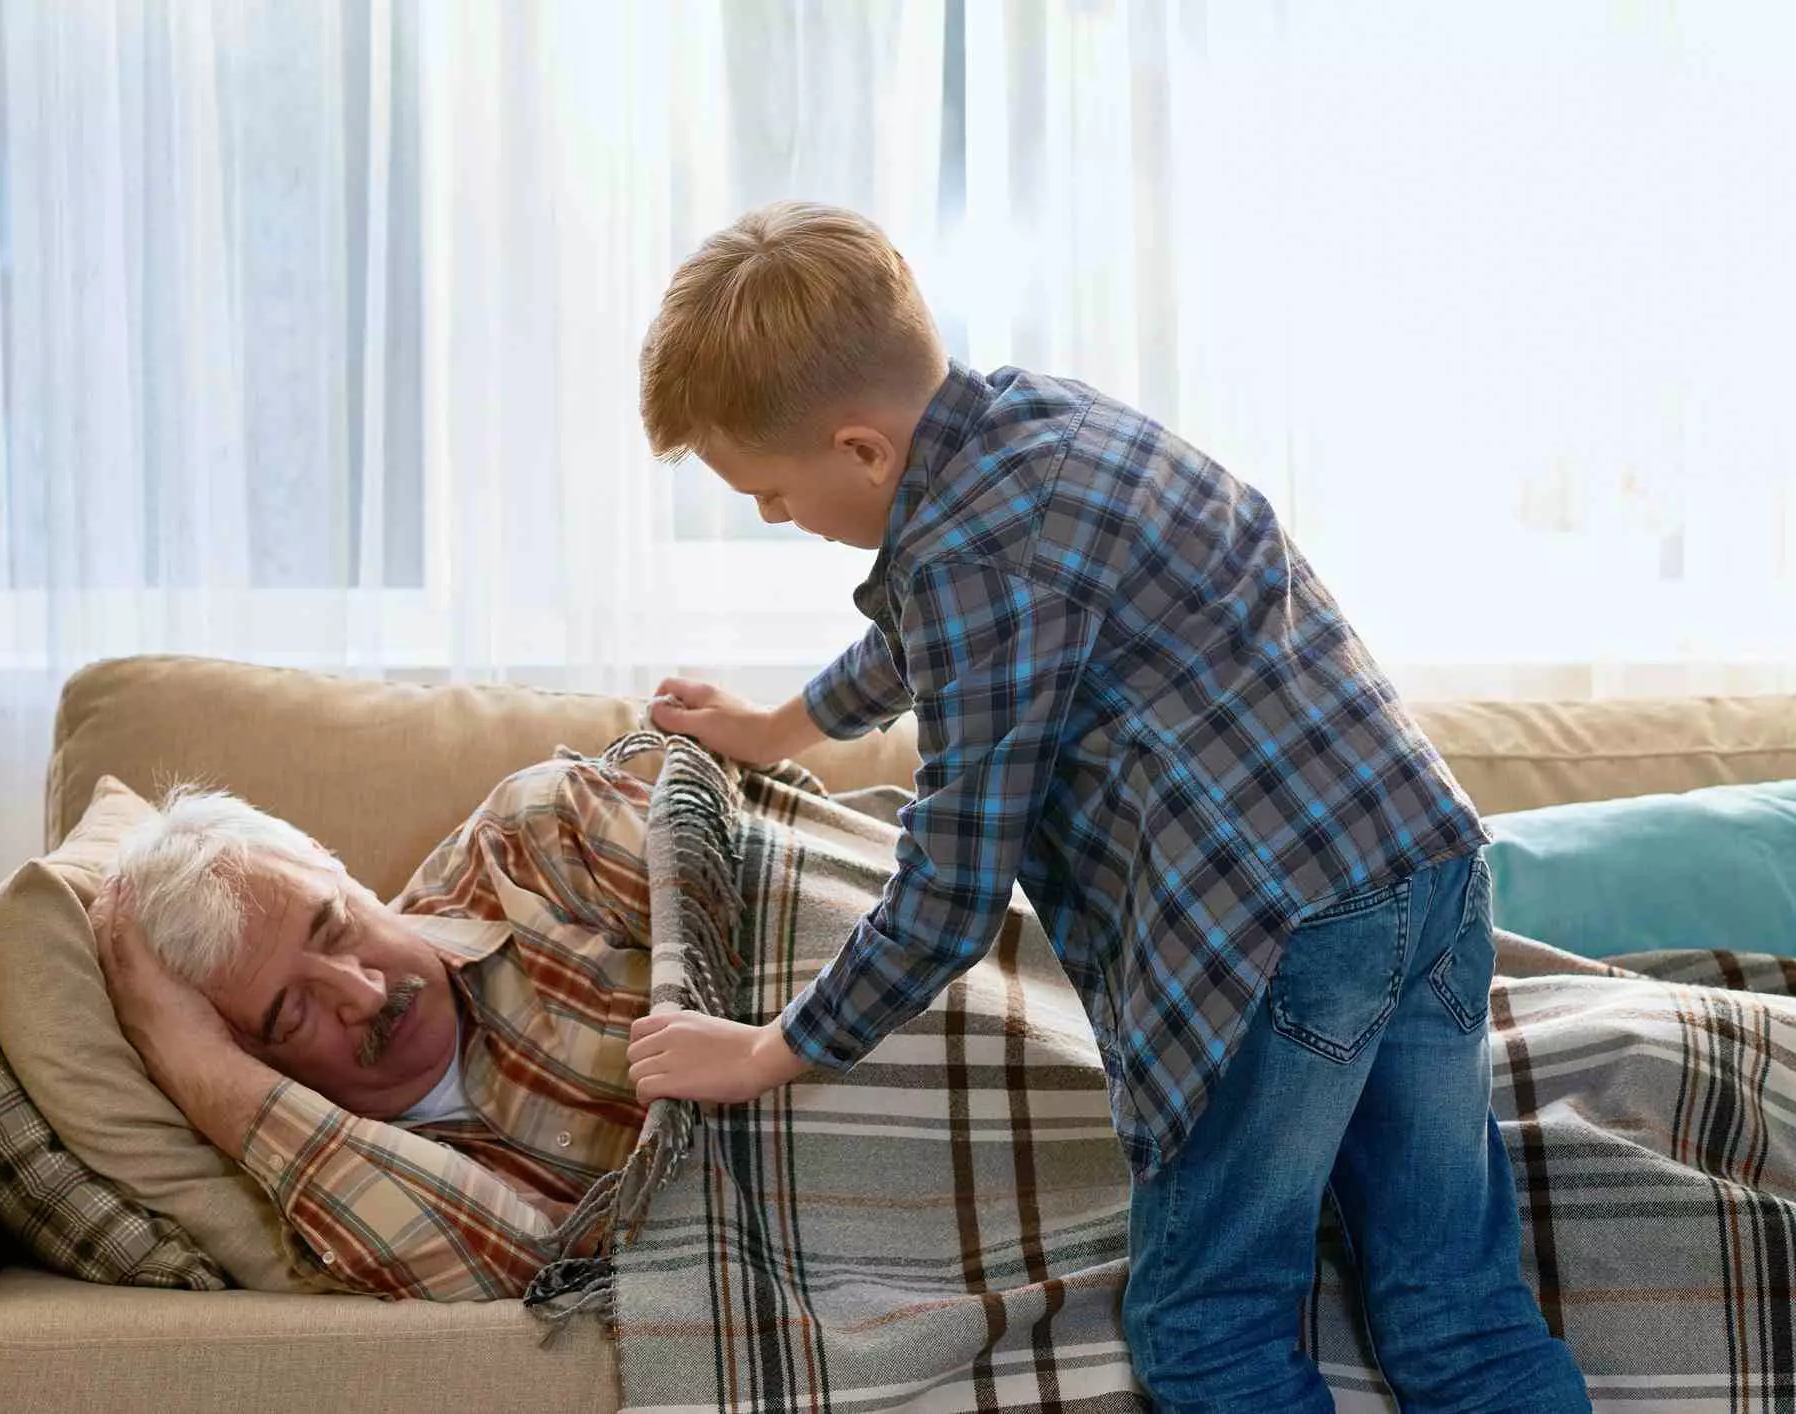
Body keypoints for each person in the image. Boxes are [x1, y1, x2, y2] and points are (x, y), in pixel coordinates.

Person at [622, 200, 1590, 1413]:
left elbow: (949, 894)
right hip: (1429, 868)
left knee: (1207, 1330)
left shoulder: (968, 566)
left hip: (1276, 946)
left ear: (863, 451)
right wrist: (778, 729)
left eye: (769, 492)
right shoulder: (1035, 417)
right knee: (1453, 1298)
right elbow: (944, 638)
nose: (775, 519)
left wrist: (769, 1050)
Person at [93, 753, 657, 1302]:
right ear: (248, 1053)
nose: (364, 993)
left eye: (336, 928)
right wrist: (200, 1066)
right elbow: (534, 1270)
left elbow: (741, 940)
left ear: (329, 861)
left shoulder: (533, 839)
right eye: (294, 1014)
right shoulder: (335, 1189)